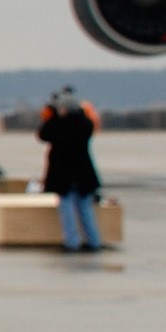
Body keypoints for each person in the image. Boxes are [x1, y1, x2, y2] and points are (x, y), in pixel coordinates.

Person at [38, 87, 105, 252]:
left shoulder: (58, 124)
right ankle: (94, 241)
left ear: (64, 109)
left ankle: (71, 242)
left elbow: (43, 134)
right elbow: (86, 122)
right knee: (85, 208)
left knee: (66, 209)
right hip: (83, 173)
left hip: (63, 173)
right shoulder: (85, 125)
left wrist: (53, 114)